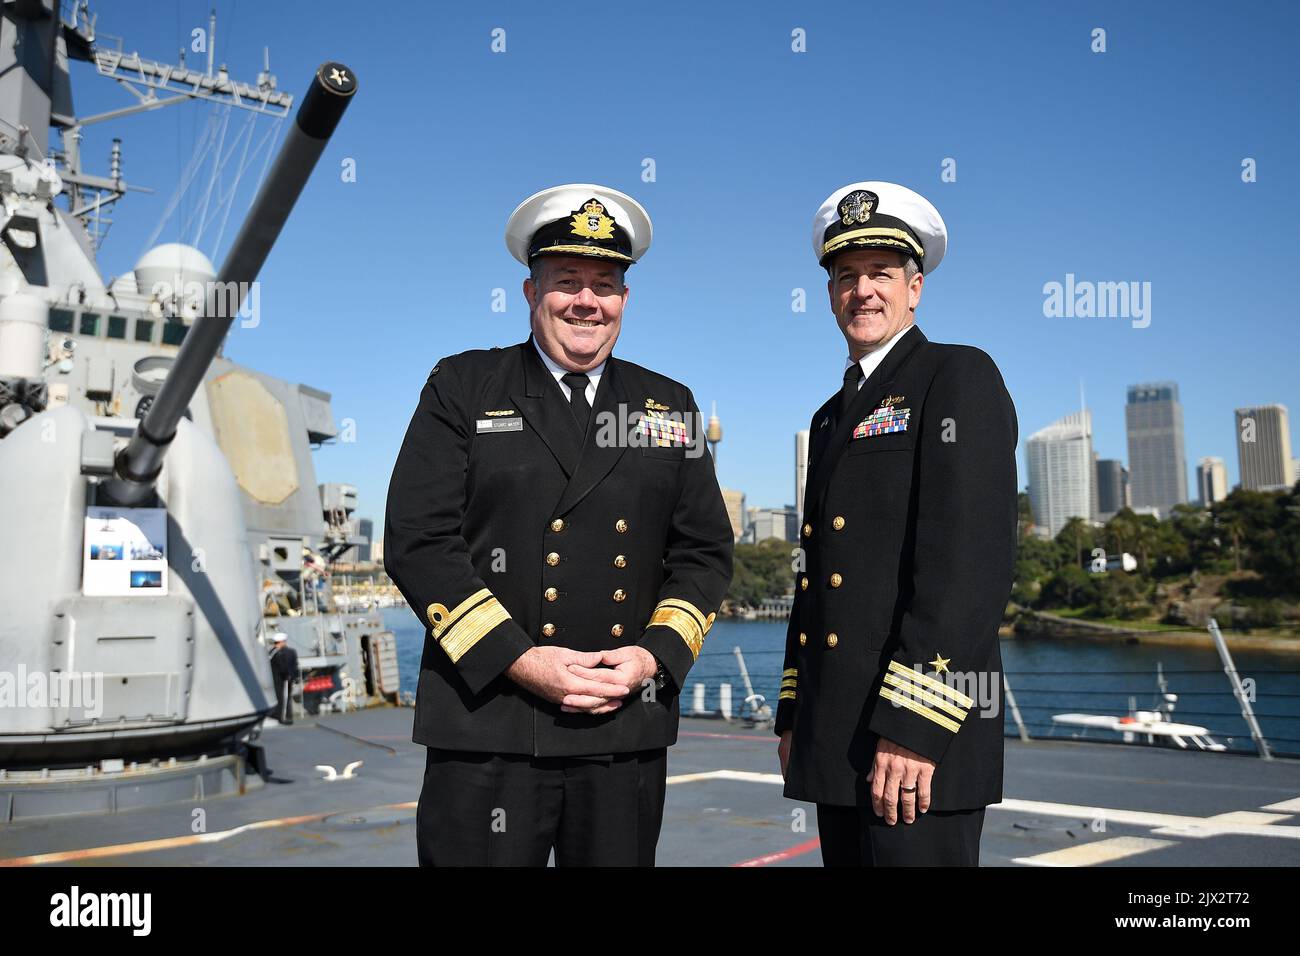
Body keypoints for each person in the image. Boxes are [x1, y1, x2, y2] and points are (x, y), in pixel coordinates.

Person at [384, 183, 733, 866]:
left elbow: (705, 553)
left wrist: (653, 657)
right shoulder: (464, 386)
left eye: (605, 284)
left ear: (625, 302)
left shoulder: (671, 404)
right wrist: (518, 658)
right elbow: (419, 540)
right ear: (529, 292)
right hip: (488, 721)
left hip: (621, 724)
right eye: (566, 280)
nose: (586, 300)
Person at [775, 181, 1018, 866]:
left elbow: (970, 565)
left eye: (881, 274)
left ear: (915, 288)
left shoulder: (957, 376)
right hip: (838, 739)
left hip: (916, 748)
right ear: (829, 295)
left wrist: (914, 727)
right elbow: (815, 578)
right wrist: (795, 714)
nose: (863, 292)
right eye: (846, 277)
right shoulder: (832, 414)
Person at [268, 631, 298, 725]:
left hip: (284, 679)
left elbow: (287, 666)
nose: (276, 645)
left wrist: (288, 676)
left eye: (277, 643)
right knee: (279, 697)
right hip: (277, 679)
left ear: (283, 642)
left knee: (284, 698)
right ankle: (278, 715)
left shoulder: (286, 652)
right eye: (275, 643)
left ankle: (284, 717)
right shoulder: (274, 651)